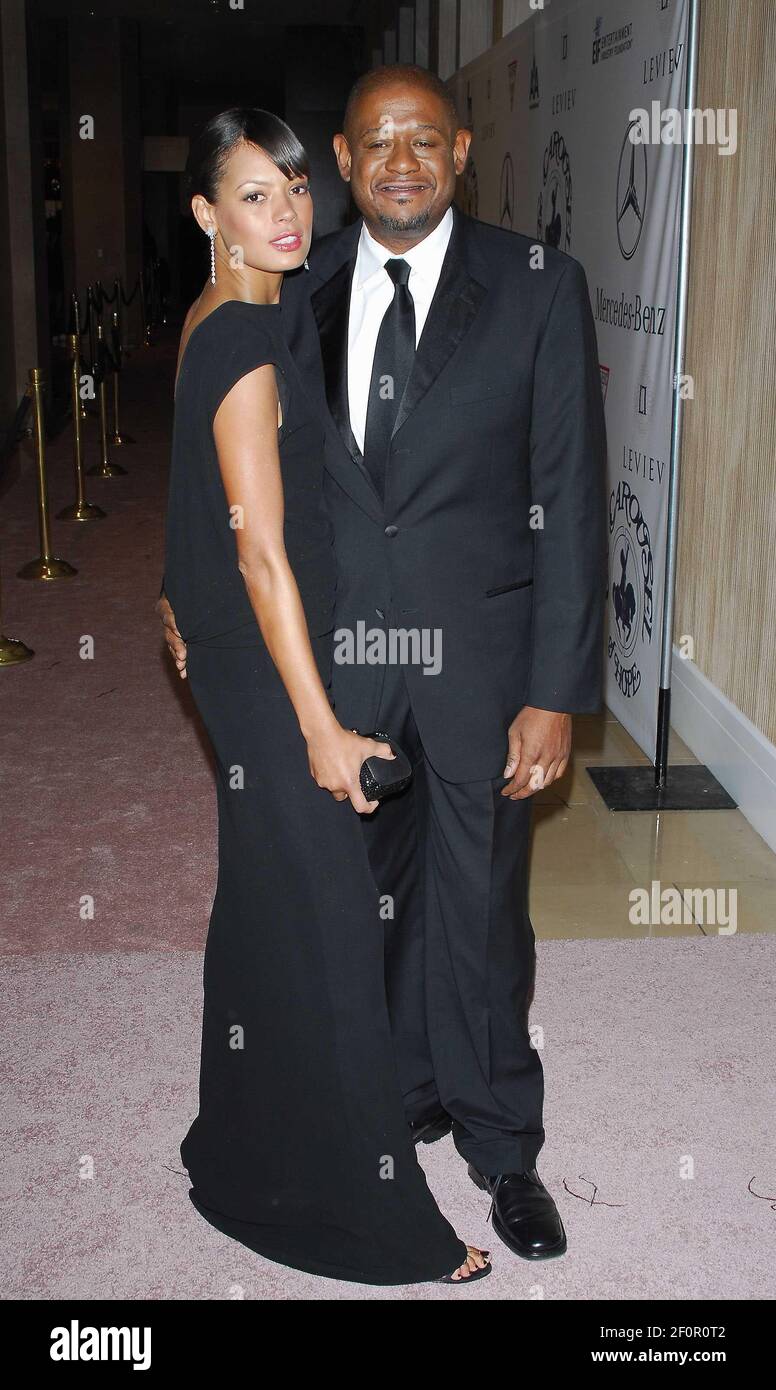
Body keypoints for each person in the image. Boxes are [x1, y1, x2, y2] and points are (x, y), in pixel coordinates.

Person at [160, 67, 607, 1263]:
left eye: (421, 137)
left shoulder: (535, 285)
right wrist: (181, 586)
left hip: (480, 662)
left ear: (459, 150)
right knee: (349, 912)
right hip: (335, 659)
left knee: (480, 909)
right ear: (348, 167)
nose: (397, 158)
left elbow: (570, 501)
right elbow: (245, 472)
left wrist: (555, 689)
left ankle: (502, 1144)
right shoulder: (289, 289)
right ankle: (394, 1095)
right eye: (371, 142)